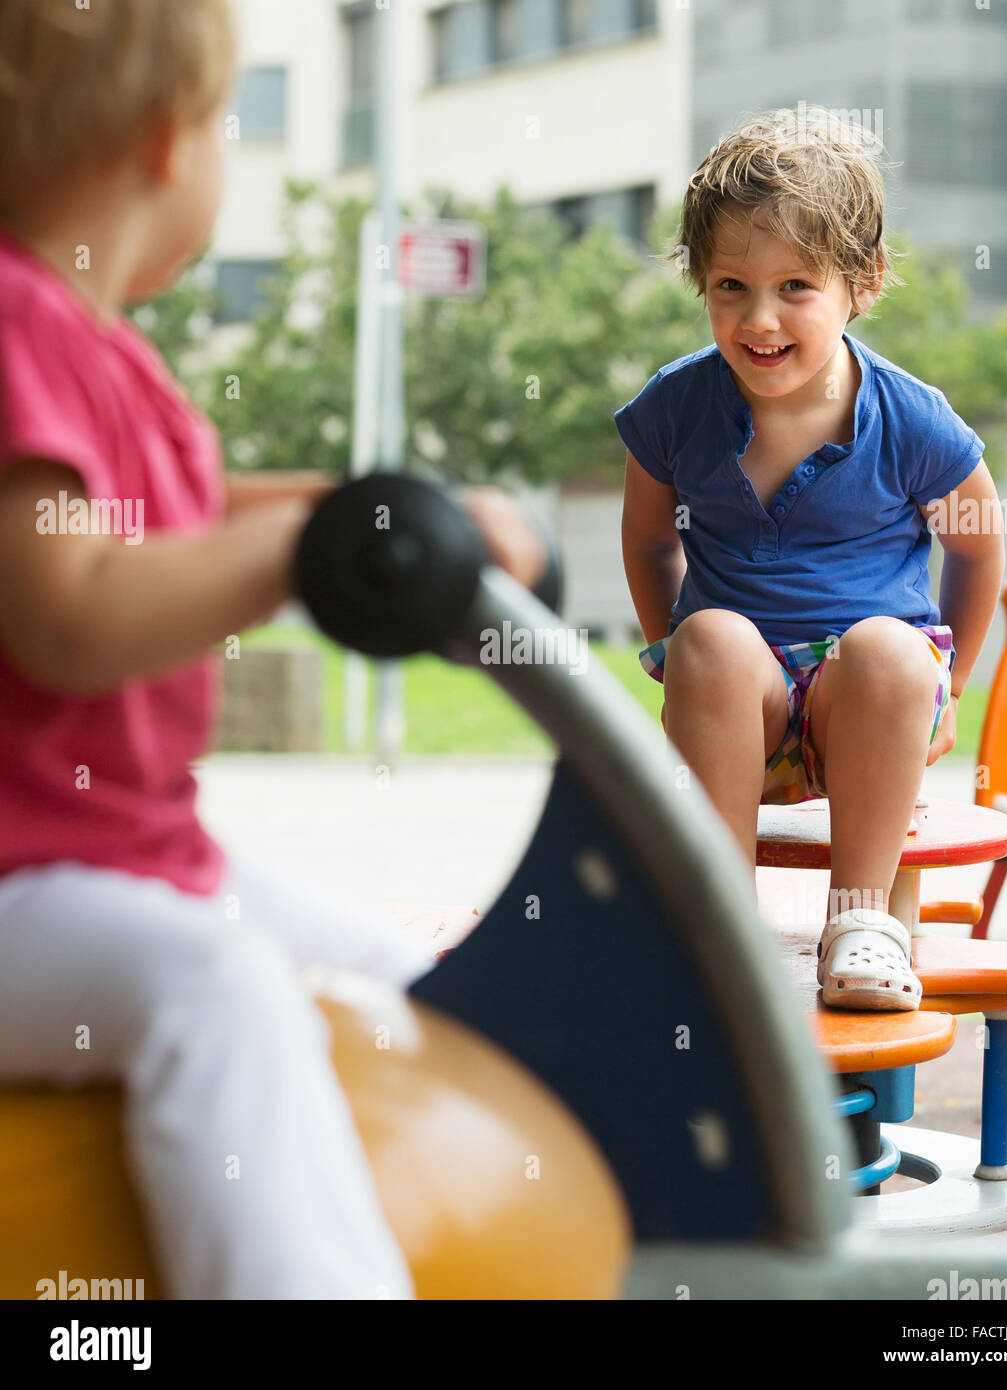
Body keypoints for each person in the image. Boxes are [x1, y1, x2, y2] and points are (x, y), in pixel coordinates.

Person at [0, 0, 543, 1298]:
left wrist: (402, 517)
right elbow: (64, 611)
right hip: (28, 878)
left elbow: (205, 517)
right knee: (214, 983)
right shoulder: (15, 320)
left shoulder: (101, 354)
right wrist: (309, 549)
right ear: (163, 142)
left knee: (418, 973)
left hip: (117, 855)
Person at [617, 107, 1005, 1012]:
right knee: (706, 635)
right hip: (740, 712)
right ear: (698, 282)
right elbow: (646, 538)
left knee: (887, 649)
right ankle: (719, 926)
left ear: (861, 282)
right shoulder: (676, 407)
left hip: (863, 715)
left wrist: (950, 693)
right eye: (729, 286)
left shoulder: (910, 419)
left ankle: (862, 922)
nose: (760, 319)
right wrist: (676, 662)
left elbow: (978, 553)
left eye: (796, 285)